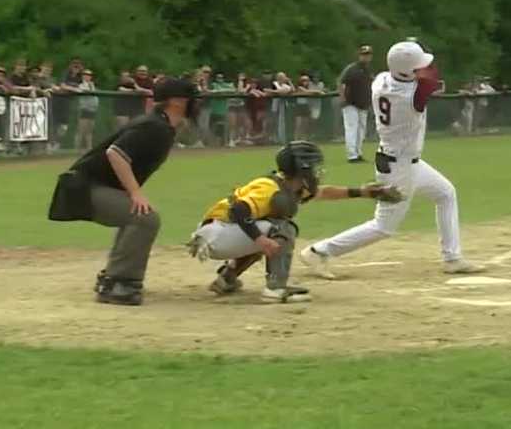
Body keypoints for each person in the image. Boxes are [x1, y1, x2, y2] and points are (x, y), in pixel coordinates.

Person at [299, 40, 483, 278]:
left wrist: (411, 55)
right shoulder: (412, 95)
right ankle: (319, 251)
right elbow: (431, 76)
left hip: (402, 160)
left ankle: (452, 258)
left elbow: (415, 71)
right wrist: (419, 51)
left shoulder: (382, 79)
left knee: (446, 193)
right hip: (400, 167)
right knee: (384, 226)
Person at [185, 141, 403, 303]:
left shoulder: (288, 186)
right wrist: (260, 240)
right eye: (313, 166)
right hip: (216, 235)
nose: (317, 171)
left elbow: (324, 193)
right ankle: (275, 289)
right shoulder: (270, 187)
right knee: (281, 229)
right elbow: (239, 209)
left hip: (220, 233)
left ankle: (227, 279)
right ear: (302, 168)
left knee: (268, 230)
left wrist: (364, 192)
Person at [46, 78, 200, 306]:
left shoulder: (162, 125)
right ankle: (120, 283)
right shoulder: (154, 126)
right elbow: (116, 153)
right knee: (145, 218)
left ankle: (113, 277)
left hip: (91, 185)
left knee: (137, 216)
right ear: (177, 102)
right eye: (191, 99)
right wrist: (135, 193)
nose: (196, 104)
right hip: (83, 187)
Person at [339, 45, 374, 162]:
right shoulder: (352, 69)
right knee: (352, 128)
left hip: (363, 104)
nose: (366, 57)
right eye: (364, 55)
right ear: (359, 56)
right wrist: (343, 99)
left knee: (361, 130)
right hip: (350, 103)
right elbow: (341, 83)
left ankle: (358, 152)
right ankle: (352, 155)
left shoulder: (368, 70)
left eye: (368, 55)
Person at [75, 69, 99, 151]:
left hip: (93, 110)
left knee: (90, 131)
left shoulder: (93, 85)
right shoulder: (81, 85)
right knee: (81, 130)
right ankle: (77, 148)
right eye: (85, 75)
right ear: (83, 76)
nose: (87, 76)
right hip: (84, 109)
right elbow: (86, 91)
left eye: (89, 75)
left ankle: (89, 148)